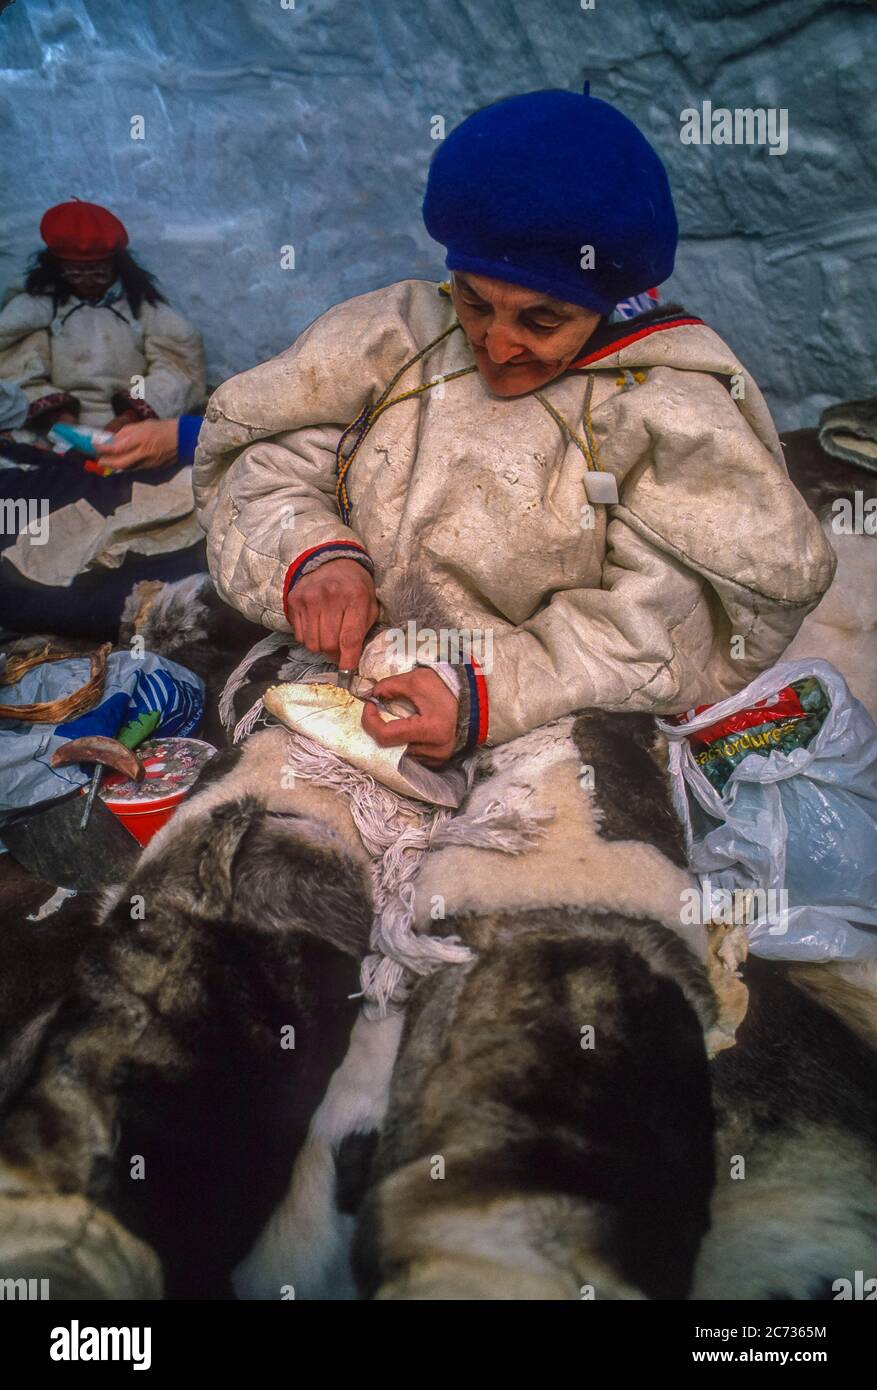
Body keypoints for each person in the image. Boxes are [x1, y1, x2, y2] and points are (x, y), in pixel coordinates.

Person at [195, 86, 833, 764]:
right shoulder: (393, 343)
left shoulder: (657, 412)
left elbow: (652, 625)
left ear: (605, 303)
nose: (497, 346)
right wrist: (317, 558)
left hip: (541, 718)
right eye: (473, 301)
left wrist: (484, 693)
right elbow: (266, 472)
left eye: (542, 320)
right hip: (339, 671)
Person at [0, 199, 205, 431]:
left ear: (117, 267)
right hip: (54, 424)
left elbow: (177, 369)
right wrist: (59, 419)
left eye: (98, 273)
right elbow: (16, 371)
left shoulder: (141, 309)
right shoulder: (37, 308)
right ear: (57, 268)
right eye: (75, 273)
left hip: (132, 417)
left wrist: (130, 415)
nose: (87, 282)